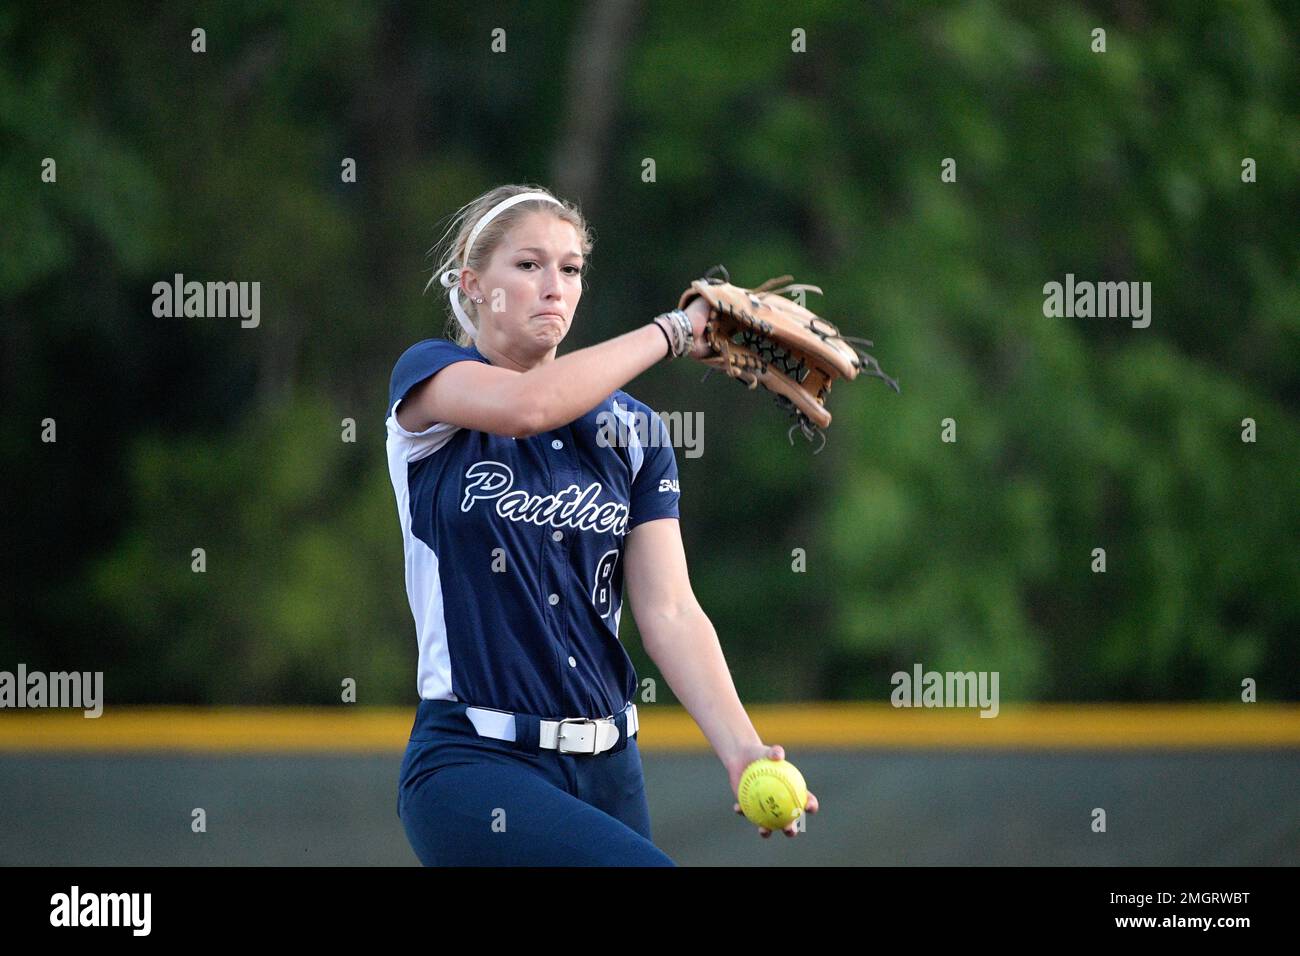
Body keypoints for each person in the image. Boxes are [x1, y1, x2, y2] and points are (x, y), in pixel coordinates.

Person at [386, 183, 820, 866]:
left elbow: (670, 610)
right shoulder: (432, 383)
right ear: (473, 283)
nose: (553, 285)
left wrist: (740, 748)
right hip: (474, 764)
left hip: (610, 771)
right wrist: (674, 331)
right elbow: (530, 406)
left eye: (570, 268)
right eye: (528, 265)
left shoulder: (634, 431)